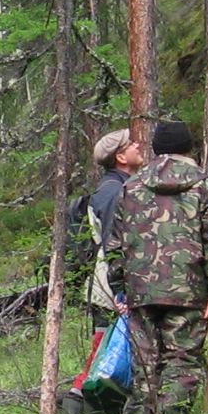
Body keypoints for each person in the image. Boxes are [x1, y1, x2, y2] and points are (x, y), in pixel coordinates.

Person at [105, 121, 208, 414]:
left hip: (141, 289)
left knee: (145, 361)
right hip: (188, 288)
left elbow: (115, 244)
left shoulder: (131, 187)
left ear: (156, 149)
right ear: (189, 147)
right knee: (182, 358)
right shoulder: (204, 185)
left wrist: (120, 289)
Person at [76, 128, 147, 332]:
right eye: (130, 144)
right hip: (112, 297)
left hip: (114, 290)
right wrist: (120, 292)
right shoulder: (114, 193)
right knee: (109, 351)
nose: (137, 145)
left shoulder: (115, 187)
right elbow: (113, 243)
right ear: (121, 157)